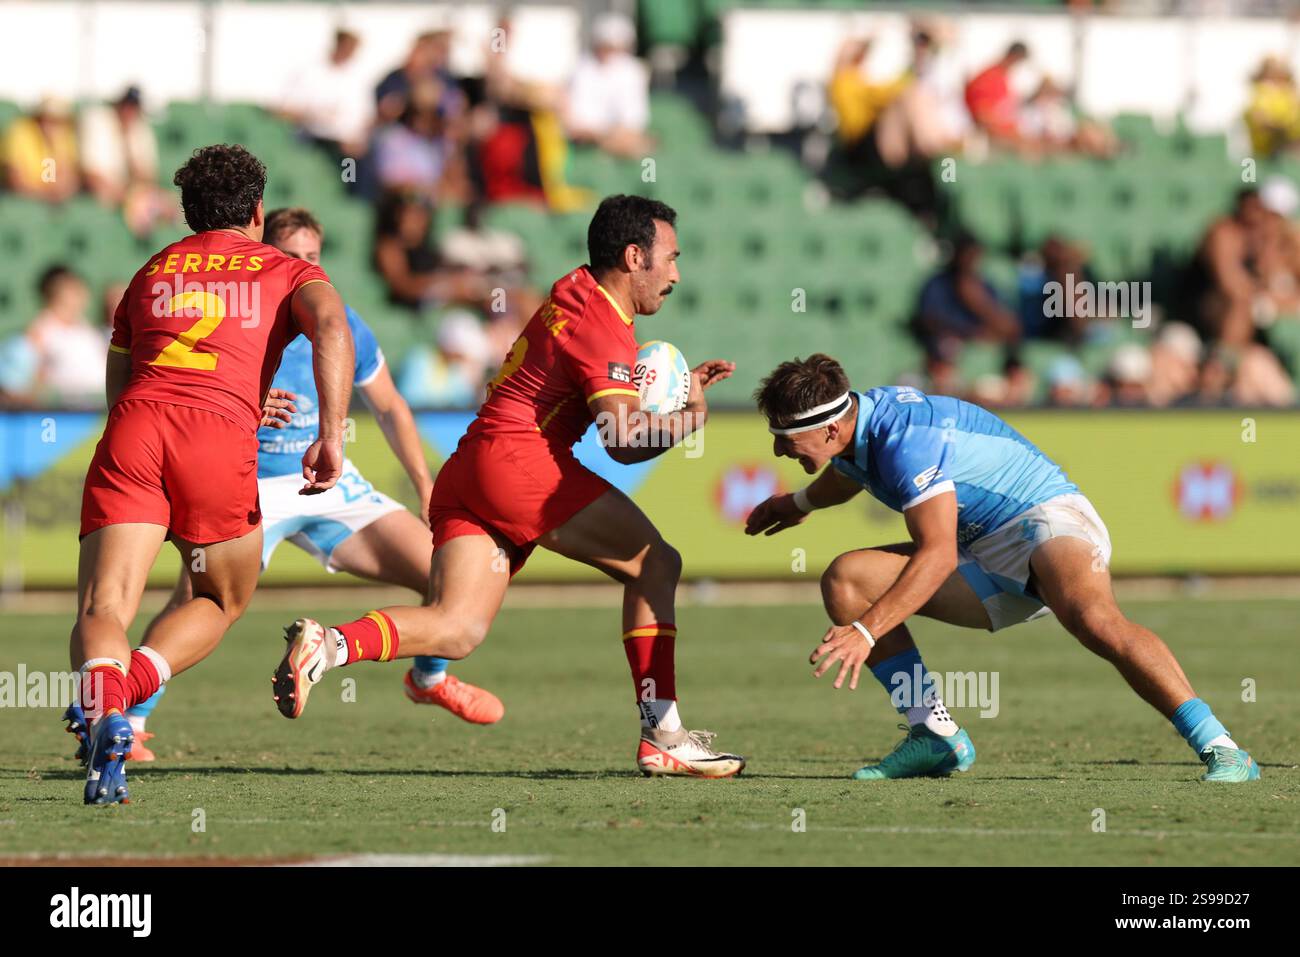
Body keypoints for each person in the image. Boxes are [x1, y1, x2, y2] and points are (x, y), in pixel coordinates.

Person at [271, 194, 747, 777]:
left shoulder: (576, 288)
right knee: (657, 565)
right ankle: (663, 734)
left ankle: (330, 645)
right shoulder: (602, 324)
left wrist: (660, 398)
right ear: (633, 256)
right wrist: (688, 419)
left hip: (471, 464)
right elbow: (623, 439)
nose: (675, 273)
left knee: (457, 628)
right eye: (670, 257)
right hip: (519, 462)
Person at [744, 353, 1259, 784]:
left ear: (831, 427)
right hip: (982, 551)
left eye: (786, 437)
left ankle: (1221, 745)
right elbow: (848, 473)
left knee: (1094, 622)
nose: (777, 448)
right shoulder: (859, 423)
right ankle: (934, 736)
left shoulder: (906, 441)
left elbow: (937, 554)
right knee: (846, 580)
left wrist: (865, 631)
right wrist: (798, 504)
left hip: (1043, 521)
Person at [119, 208, 504, 762]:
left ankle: (428, 678)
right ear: (263, 256)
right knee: (198, 599)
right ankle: (127, 719)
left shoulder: (340, 320)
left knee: (447, 575)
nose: (303, 267)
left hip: (331, 484)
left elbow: (392, 407)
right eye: (291, 255)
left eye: (313, 257)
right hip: (249, 487)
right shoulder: (239, 317)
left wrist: (426, 487)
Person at [64, 145, 354, 805]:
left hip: (137, 424)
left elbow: (122, 367)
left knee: (104, 605)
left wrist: (132, 440)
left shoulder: (153, 268)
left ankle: (107, 702)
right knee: (219, 598)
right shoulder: (284, 268)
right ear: (258, 211)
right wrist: (330, 435)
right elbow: (333, 324)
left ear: (191, 213)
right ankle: (127, 692)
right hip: (217, 435)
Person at [78, 86, 174, 235]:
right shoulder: (98, 121)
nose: (129, 112)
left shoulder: (140, 127)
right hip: (106, 191)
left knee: (167, 204)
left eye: (134, 108)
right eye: (127, 106)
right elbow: (92, 175)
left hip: (131, 192)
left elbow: (148, 174)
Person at [564, 13, 654, 159]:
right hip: (583, 140)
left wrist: (614, 135)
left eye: (615, 47)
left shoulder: (632, 71)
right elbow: (575, 124)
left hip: (616, 137)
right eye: (606, 46)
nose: (609, 53)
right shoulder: (580, 68)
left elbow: (633, 121)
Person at [23, 265, 106, 406]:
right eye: (73, 291)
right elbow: (31, 376)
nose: (81, 296)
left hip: (98, 407)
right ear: (57, 294)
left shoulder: (86, 328)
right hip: (63, 409)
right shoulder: (41, 328)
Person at [2, 95, 79, 202]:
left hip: (45, 198)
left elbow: (68, 176)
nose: (50, 125)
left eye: (57, 121)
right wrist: (45, 193)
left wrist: (59, 190)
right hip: (22, 199)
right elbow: (15, 180)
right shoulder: (20, 133)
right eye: (47, 119)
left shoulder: (64, 137)